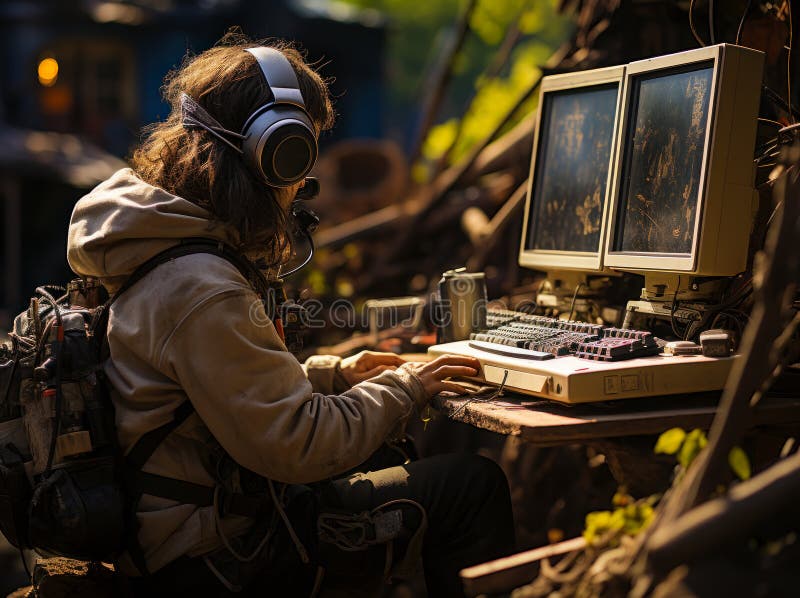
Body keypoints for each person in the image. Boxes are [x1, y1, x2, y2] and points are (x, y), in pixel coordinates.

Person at [67, 31, 514, 596]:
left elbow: (205, 397)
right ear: (274, 154)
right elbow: (297, 444)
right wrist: (406, 386)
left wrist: (330, 375)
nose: (302, 182)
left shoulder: (158, 248)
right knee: (471, 487)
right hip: (215, 556)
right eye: (301, 155)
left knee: (387, 452)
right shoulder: (200, 286)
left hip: (170, 529)